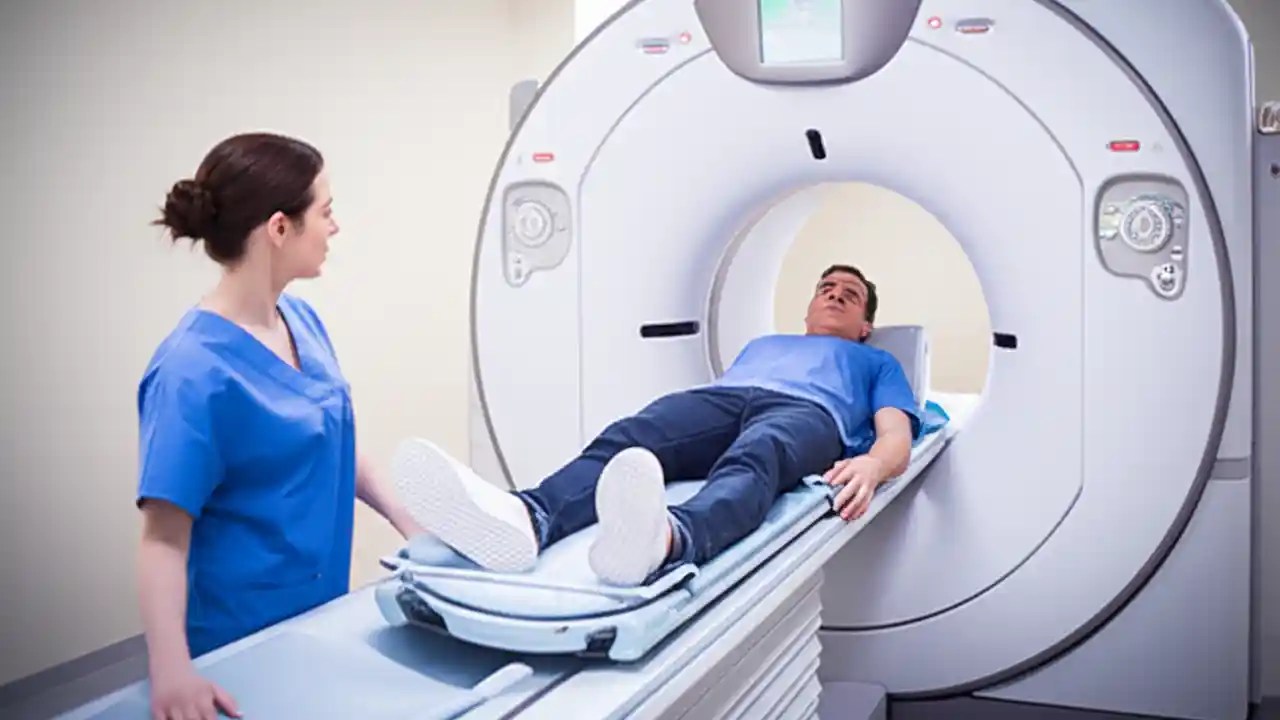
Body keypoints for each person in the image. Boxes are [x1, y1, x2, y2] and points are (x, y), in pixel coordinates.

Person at [393, 264, 921, 587]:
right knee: (633, 434)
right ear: (808, 306)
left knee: (758, 453)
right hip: (722, 397)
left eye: (849, 294)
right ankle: (528, 518)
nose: (834, 294)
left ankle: (666, 537)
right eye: (825, 287)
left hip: (808, 414)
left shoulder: (875, 364)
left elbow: (895, 432)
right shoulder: (762, 345)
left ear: (866, 325)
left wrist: (874, 466)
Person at [135, 132, 424, 720]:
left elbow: (335, 440)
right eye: (326, 211)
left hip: (318, 616)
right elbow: (163, 538)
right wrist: (172, 671)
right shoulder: (192, 371)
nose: (335, 227)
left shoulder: (302, 320)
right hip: (238, 644)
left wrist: (412, 524)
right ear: (279, 228)